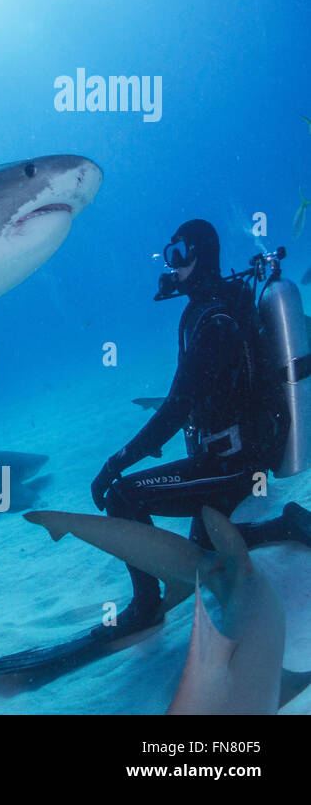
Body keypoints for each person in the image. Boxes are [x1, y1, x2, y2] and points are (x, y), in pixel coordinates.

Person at [91, 219, 311, 631]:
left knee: (123, 497)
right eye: (168, 257)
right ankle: (286, 524)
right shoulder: (213, 308)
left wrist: (114, 464)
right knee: (204, 550)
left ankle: (145, 608)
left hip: (231, 467)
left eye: (179, 256)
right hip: (233, 459)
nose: (171, 267)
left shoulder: (214, 323)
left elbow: (175, 410)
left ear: (201, 256)